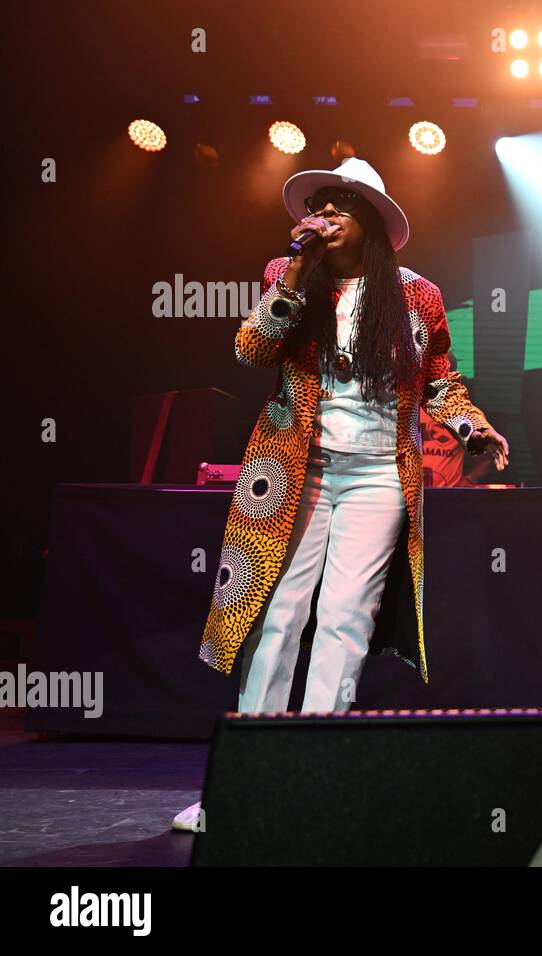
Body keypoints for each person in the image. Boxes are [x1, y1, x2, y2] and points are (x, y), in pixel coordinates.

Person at [173, 158, 508, 831]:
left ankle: (314, 775)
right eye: (318, 206)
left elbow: (442, 383)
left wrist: (472, 428)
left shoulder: (417, 295)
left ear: (372, 223)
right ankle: (245, 780)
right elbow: (251, 350)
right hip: (299, 469)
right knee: (279, 614)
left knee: (345, 617)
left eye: (338, 208)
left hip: (380, 473)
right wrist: (294, 278)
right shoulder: (285, 274)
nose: (323, 217)